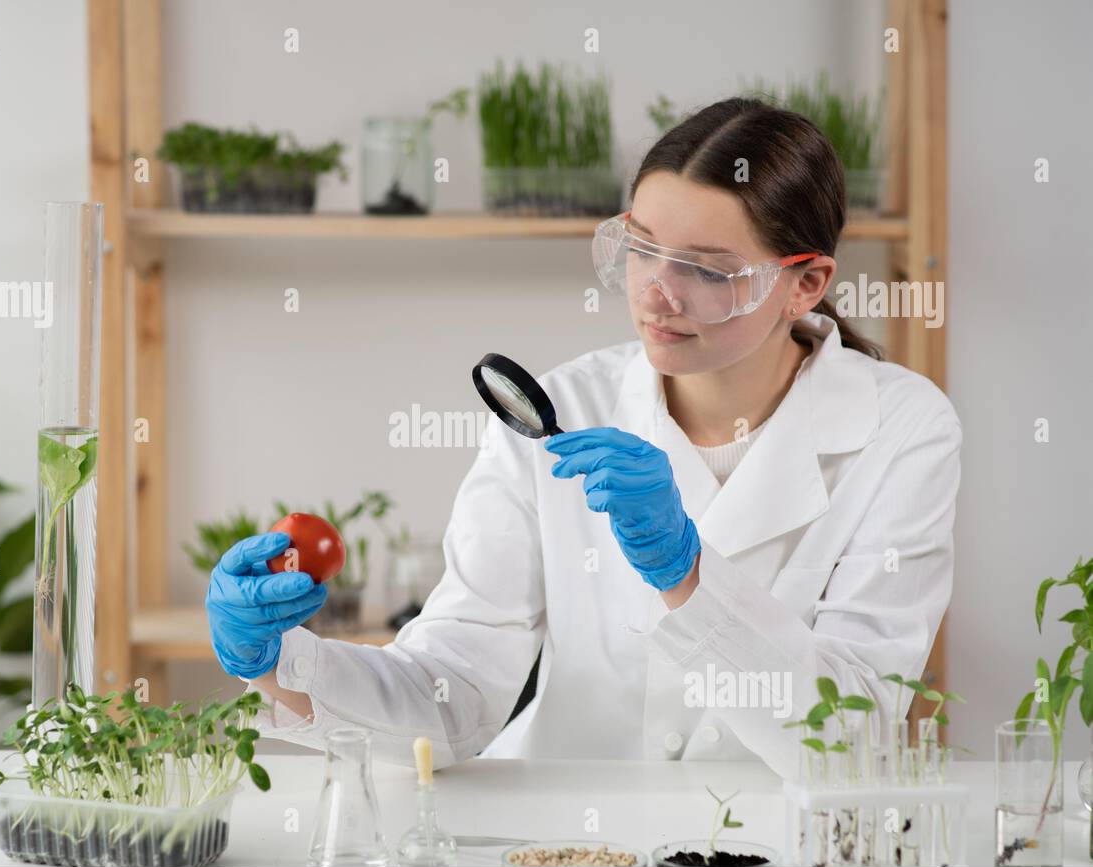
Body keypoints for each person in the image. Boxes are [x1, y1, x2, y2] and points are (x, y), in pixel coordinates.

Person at [204, 97, 961, 778]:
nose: (657, 291)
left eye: (704, 267)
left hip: (780, 842)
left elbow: (853, 738)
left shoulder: (903, 429)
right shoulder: (558, 408)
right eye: (641, 249)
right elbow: (454, 691)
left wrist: (686, 572)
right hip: (559, 838)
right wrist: (282, 667)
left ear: (804, 283)